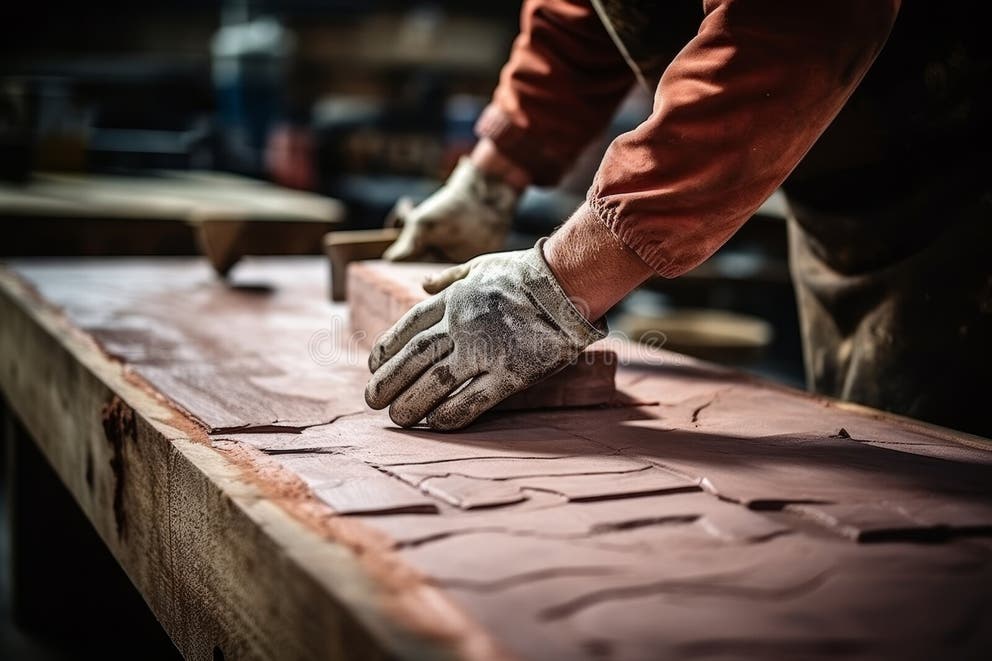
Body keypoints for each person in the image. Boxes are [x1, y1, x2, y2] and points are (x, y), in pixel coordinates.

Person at [365, 0, 992, 437]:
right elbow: (587, 13)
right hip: (839, 195)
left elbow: (790, 30)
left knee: (943, 487)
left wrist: (556, 287)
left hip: (965, 190)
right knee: (873, 449)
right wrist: (491, 177)